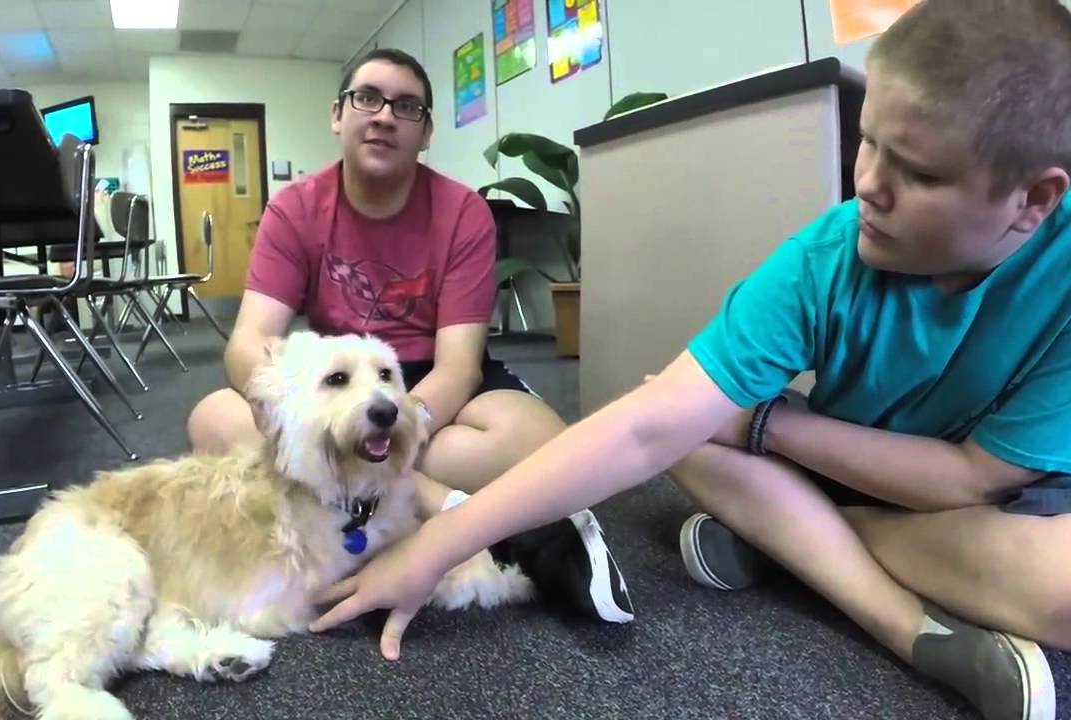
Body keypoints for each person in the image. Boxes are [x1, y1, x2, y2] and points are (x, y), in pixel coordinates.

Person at [309, 2, 1071, 719]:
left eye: (920, 174)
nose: (868, 185)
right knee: (684, 428)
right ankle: (905, 624)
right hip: (848, 466)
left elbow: (973, 477)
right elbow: (650, 424)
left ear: (1034, 200)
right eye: (868, 142)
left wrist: (768, 428)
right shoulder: (827, 255)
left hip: (992, 497)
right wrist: (439, 545)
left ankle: (796, 539)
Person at [186, 47, 635, 623]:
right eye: (367, 98)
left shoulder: (463, 211)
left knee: (546, 444)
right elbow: (248, 342)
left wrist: (403, 425)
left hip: (433, 381)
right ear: (338, 114)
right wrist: (291, 409)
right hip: (342, 384)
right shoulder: (294, 210)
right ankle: (440, 505)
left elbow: (459, 366)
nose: (383, 116)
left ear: (425, 133)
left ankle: (362, 497)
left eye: (406, 106)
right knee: (213, 419)